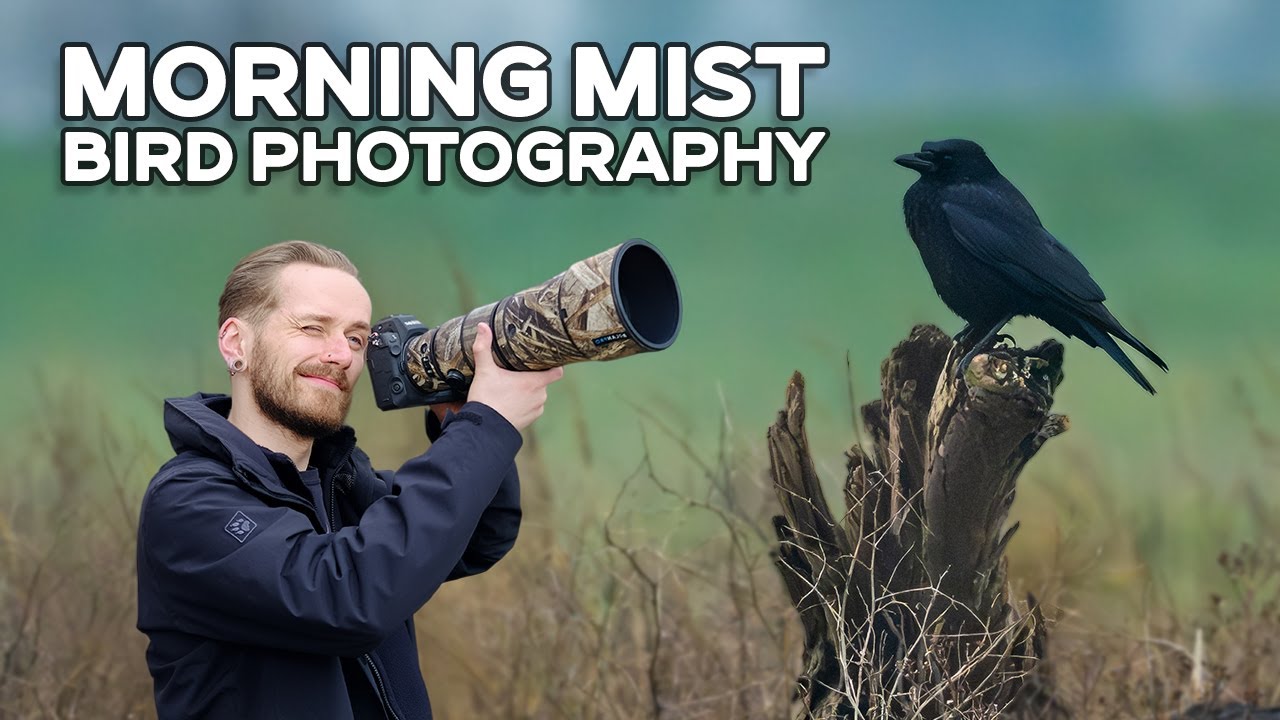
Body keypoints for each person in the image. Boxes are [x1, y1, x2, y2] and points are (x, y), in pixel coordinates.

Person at [135, 240, 563, 718]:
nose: (341, 354)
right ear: (236, 342)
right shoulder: (188, 502)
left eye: (357, 339)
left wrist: (459, 416)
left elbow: (480, 533)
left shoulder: (342, 490)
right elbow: (346, 598)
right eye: (312, 328)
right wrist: (486, 426)